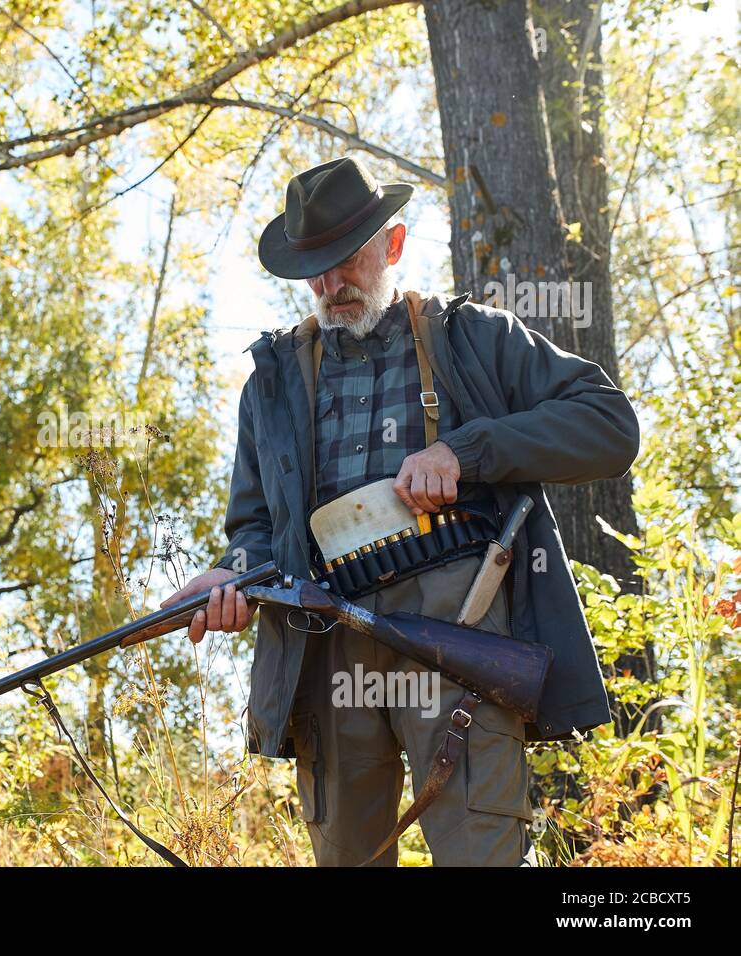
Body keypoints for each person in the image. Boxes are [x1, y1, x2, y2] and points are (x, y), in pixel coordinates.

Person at [161, 156, 640, 866]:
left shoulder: (472, 338)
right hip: (323, 638)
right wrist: (229, 577)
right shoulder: (269, 383)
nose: (330, 285)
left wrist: (466, 452)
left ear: (392, 245)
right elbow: (256, 532)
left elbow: (609, 426)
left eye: (344, 260)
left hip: (459, 631)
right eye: (313, 270)